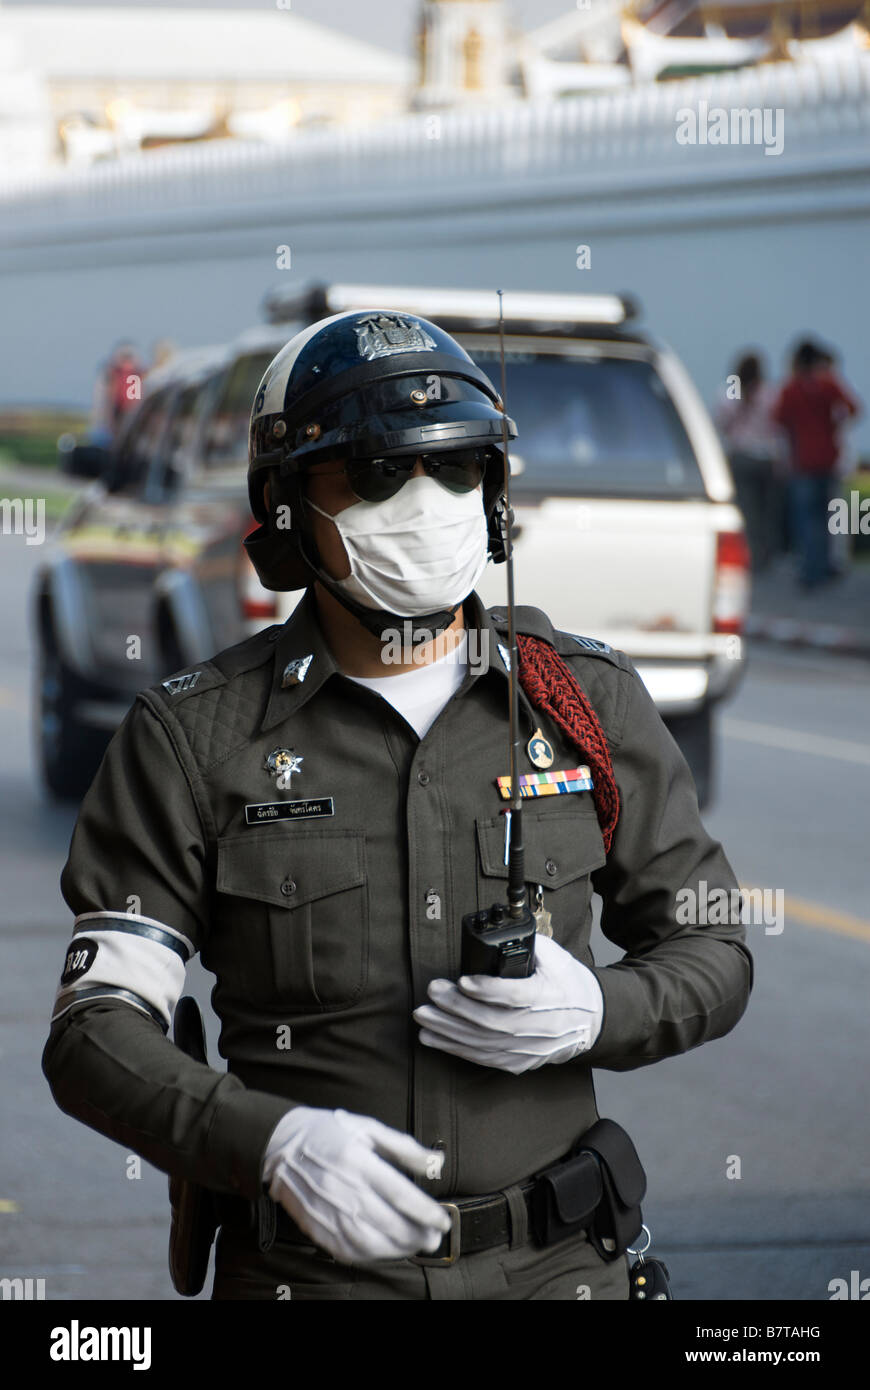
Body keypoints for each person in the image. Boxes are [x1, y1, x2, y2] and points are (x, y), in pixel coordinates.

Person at [43, 308, 753, 1301]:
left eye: (457, 468)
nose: (427, 502)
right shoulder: (192, 738)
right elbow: (95, 1030)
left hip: (559, 1271)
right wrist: (274, 1141)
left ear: (495, 500)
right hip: (308, 1276)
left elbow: (716, 946)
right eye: (378, 473)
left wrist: (602, 1007)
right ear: (291, 509)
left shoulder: (581, 702)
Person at [773, 340, 861, 589]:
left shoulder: (791, 388)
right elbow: (854, 408)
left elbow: (778, 418)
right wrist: (834, 424)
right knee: (825, 518)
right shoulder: (829, 384)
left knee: (805, 519)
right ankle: (823, 567)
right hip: (829, 459)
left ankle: (808, 569)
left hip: (803, 461)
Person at [714, 350, 785, 571]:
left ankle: (751, 553)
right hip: (767, 457)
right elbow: (778, 425)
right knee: (767, 510)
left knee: (747, 509)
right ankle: (766, 553)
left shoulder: (733, 389)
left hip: (742, 455)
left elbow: (722, 420)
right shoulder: (769, 392)